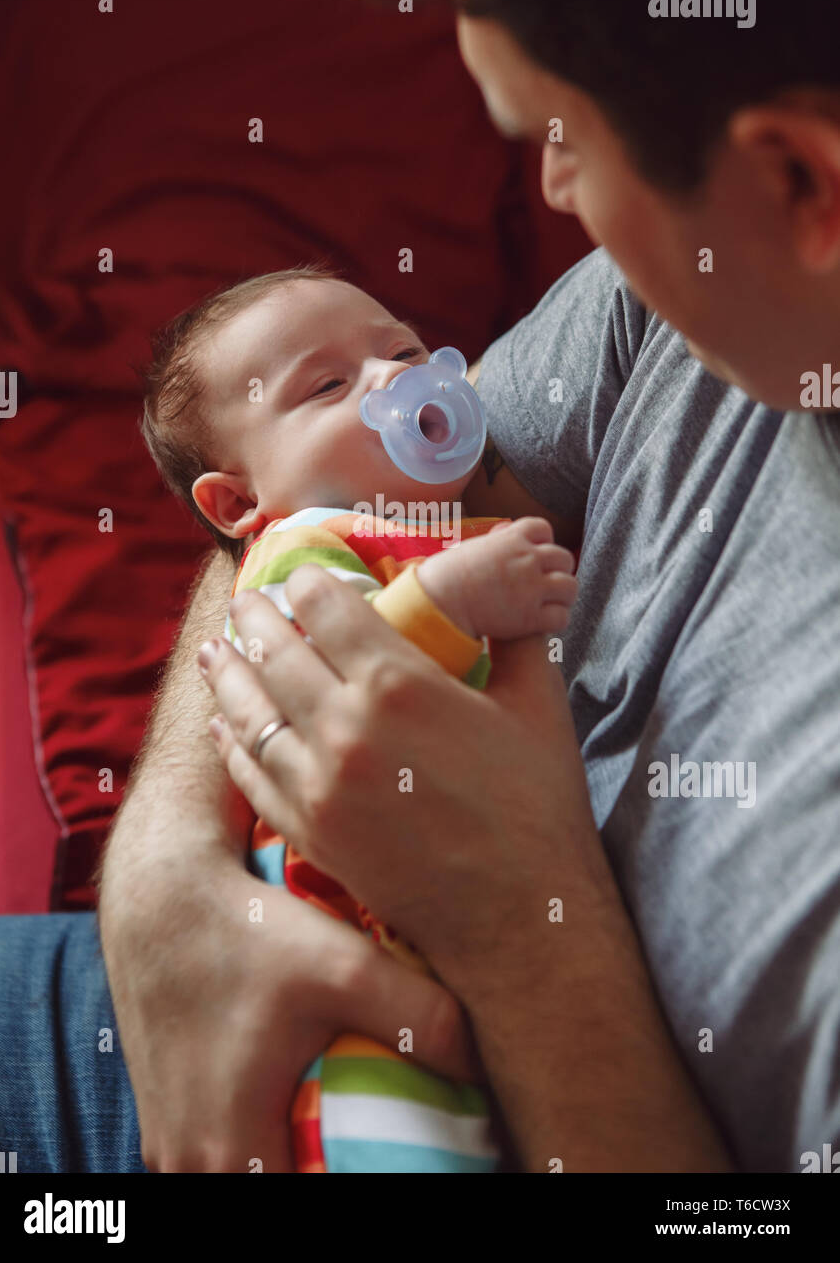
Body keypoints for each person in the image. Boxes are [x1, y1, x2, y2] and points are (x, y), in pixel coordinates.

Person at [0, 0, 837, 1174]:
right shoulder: (664, 317)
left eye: (557, 130)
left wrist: (513, 918)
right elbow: (321, 508)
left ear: (799, 181)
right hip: (173, 994)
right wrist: (167, 888)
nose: (550, 193)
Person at [139, 262, 577, 1170]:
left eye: (406, 352)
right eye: (328, 386)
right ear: (237, 503)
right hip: (356, 948)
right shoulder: (300, 549)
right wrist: (452, 605)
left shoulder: (436, 535)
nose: (394, 382)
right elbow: (330, 690)